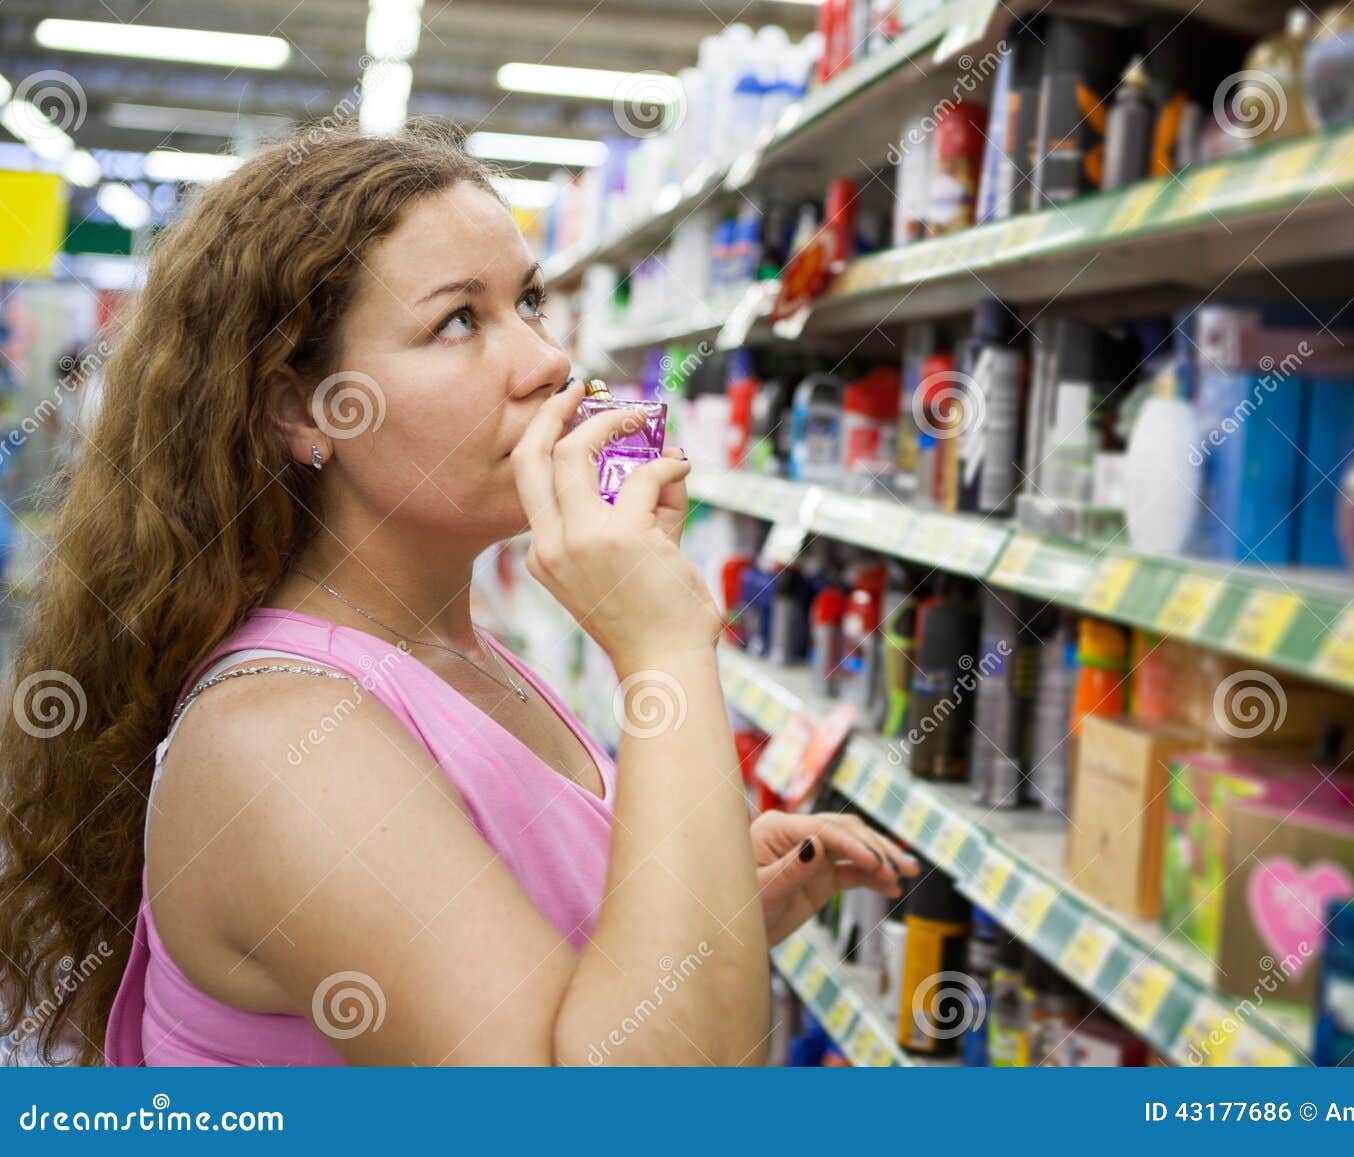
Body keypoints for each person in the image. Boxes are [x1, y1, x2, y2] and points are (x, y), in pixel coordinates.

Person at [0, 122, 916, 1066]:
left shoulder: (468, 655)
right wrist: (664, 650)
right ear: (301, 409)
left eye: (528, 300)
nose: (548, 362)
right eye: (458, 322)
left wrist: (710, 914)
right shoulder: (279, 743)